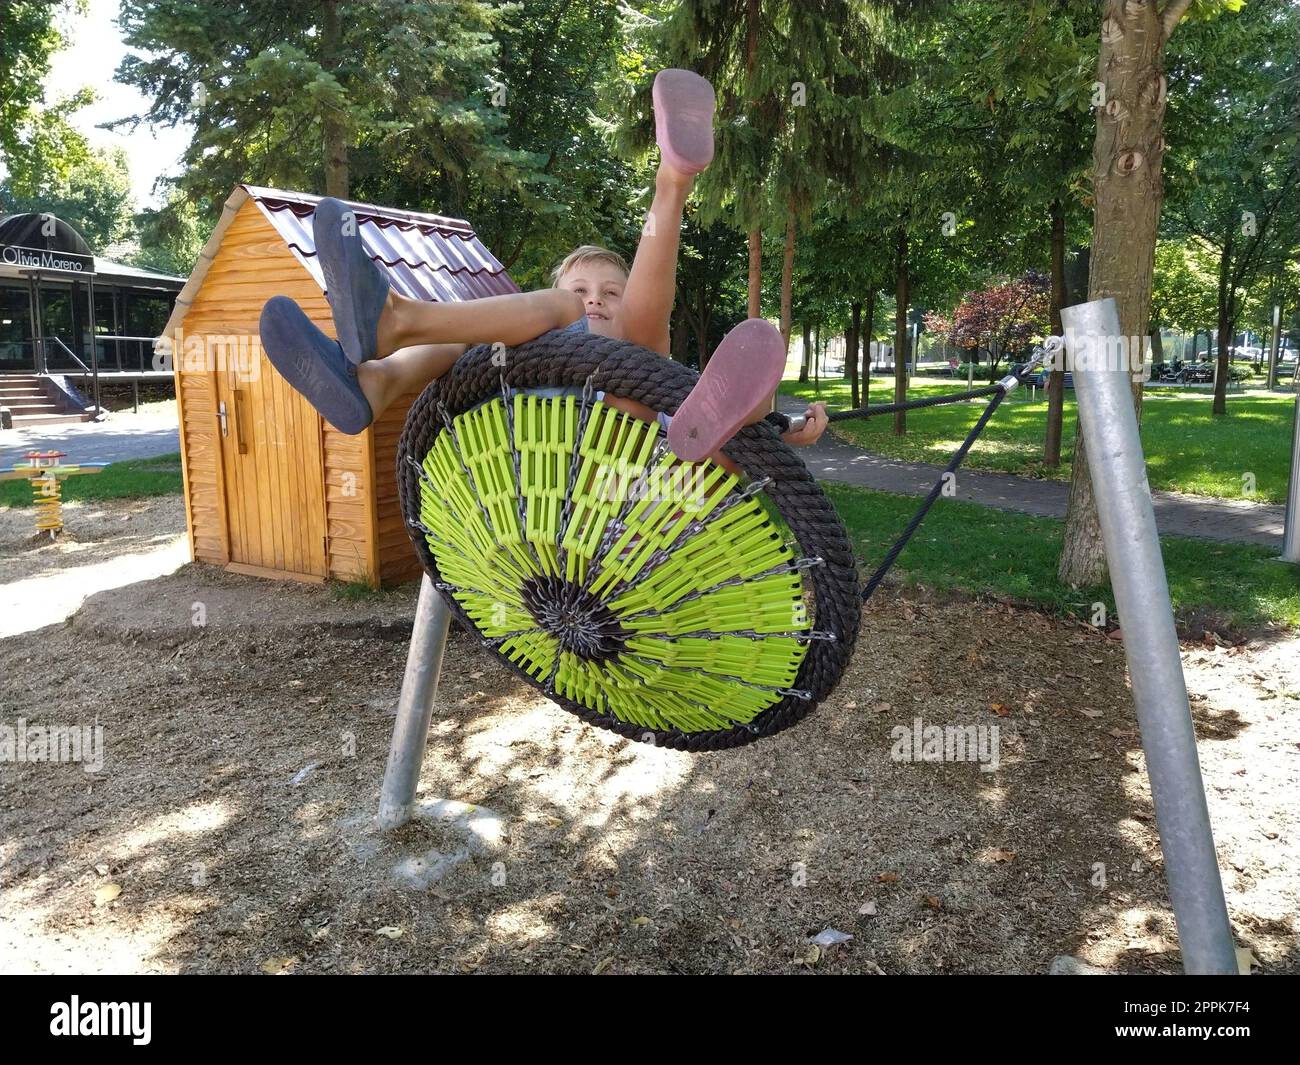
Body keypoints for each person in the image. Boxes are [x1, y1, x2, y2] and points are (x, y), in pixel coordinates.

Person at [258, 68, 828, 463]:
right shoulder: (530, 360)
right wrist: (562, 315)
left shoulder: (638, 359)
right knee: (489, 335)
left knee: (662, 366)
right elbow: (532, 325)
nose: (594, 299)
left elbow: (638, 335)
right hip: (563, 477)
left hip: (644, 460)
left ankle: (673, 186)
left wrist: (785, 430)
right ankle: (377, 379)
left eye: (609, 291)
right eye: (583, 289)